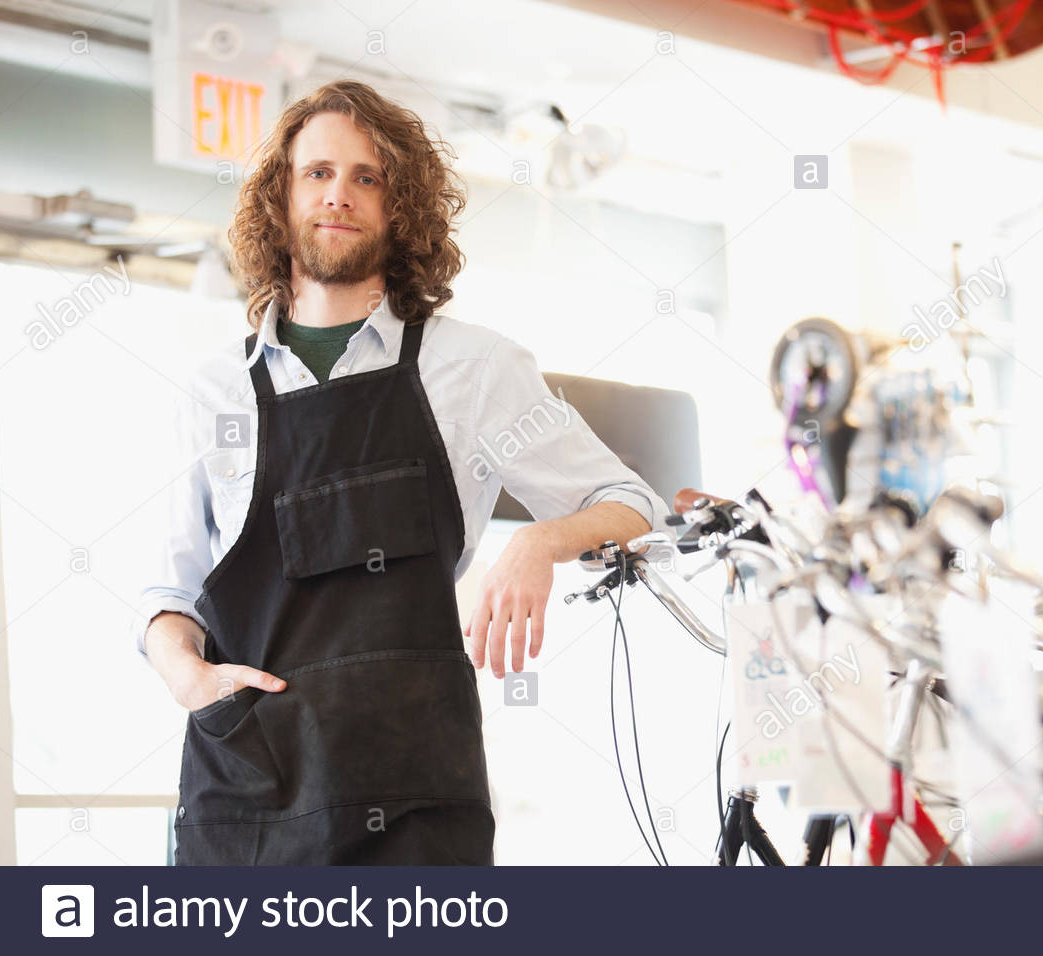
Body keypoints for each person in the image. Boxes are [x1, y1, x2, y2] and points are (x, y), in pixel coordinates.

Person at [133, 80, 668, 865]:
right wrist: (187, 678)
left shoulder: (476, 367)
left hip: (415, 803)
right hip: (247, 795)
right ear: (280, 199)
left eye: (367, 177)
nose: (338, 194)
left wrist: (539, 542)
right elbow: (171, 594)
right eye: (316, 173)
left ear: (399, 207)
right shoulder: (215, 391)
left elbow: (635, 506)